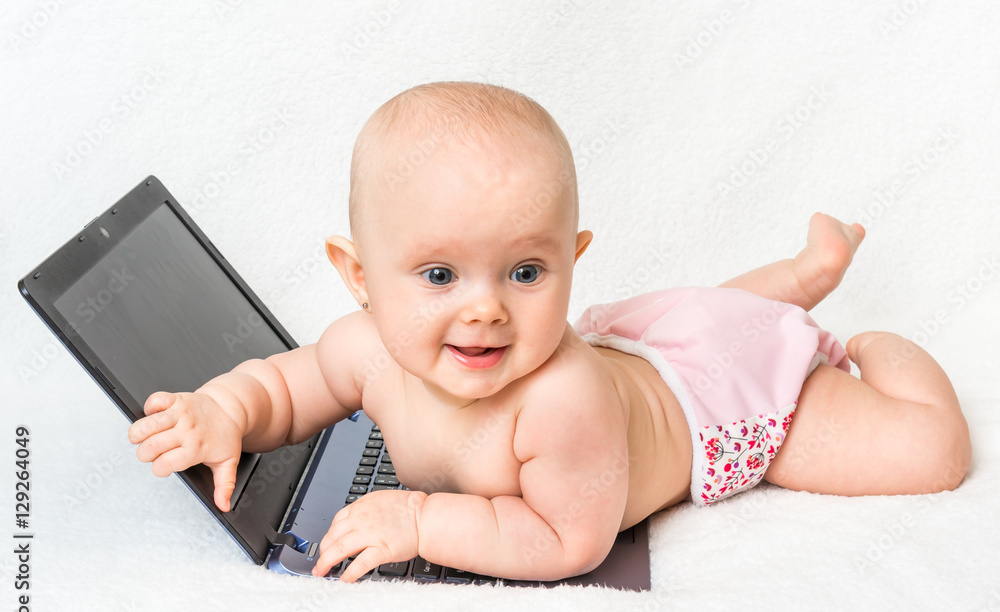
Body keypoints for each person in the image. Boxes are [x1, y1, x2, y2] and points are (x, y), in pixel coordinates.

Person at [127, 81, 971, 584]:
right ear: (358, 276)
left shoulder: (560, 401)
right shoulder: (366, 349)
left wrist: (420, 521)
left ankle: (860, 336)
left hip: (713, 399)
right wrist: (225, 409)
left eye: (526, 273)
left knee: (926, 456)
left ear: (572, 260)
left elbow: (570, 539)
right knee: (713, 314)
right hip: (663, 338)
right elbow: (285, 386)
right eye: (437, 276)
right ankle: (798, 274)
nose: (485, 308)